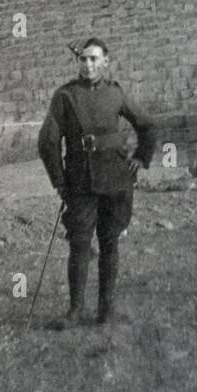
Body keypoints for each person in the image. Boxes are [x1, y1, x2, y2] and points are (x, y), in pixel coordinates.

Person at [37, 38, 156, 327]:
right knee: (79, 245)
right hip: (81, 182)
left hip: (116, 179)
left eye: (93, 59)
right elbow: (47, 142)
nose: (87, 65)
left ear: (105, 61)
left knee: (110, 242)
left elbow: (147, 125)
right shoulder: (65, 96)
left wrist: (140, 158)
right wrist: (60, 182)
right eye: (83, 59)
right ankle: (75, 310)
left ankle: (107, 309)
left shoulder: (116, 94)